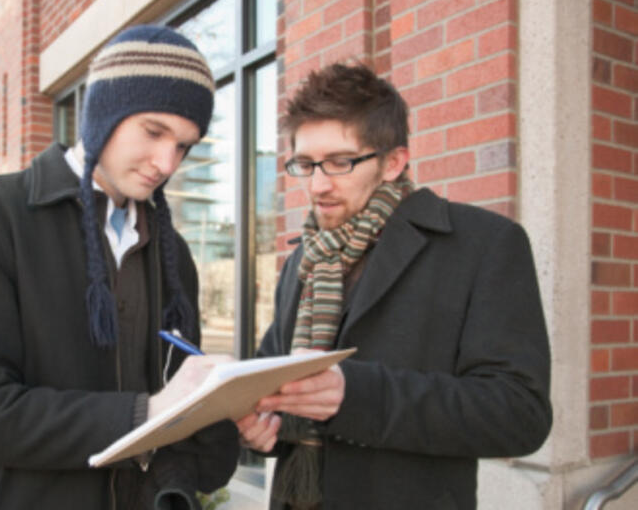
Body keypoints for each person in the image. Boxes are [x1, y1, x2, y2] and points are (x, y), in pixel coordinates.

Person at [0, 24, 239, 509]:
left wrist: (230, 418)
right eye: (154, 131)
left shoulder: (172, 252)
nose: (166, 162)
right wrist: (147, 412)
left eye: (184, 145)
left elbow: (182, 429)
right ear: (102, 115)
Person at [235, 62, 552, 510]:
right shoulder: (305, 259)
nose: (318, 185)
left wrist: (356, 395)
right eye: (305, 164)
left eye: (341, 162)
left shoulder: (485, 244)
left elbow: (521, 414)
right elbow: (271, 377)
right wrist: (257, 425)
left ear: (394, 162)